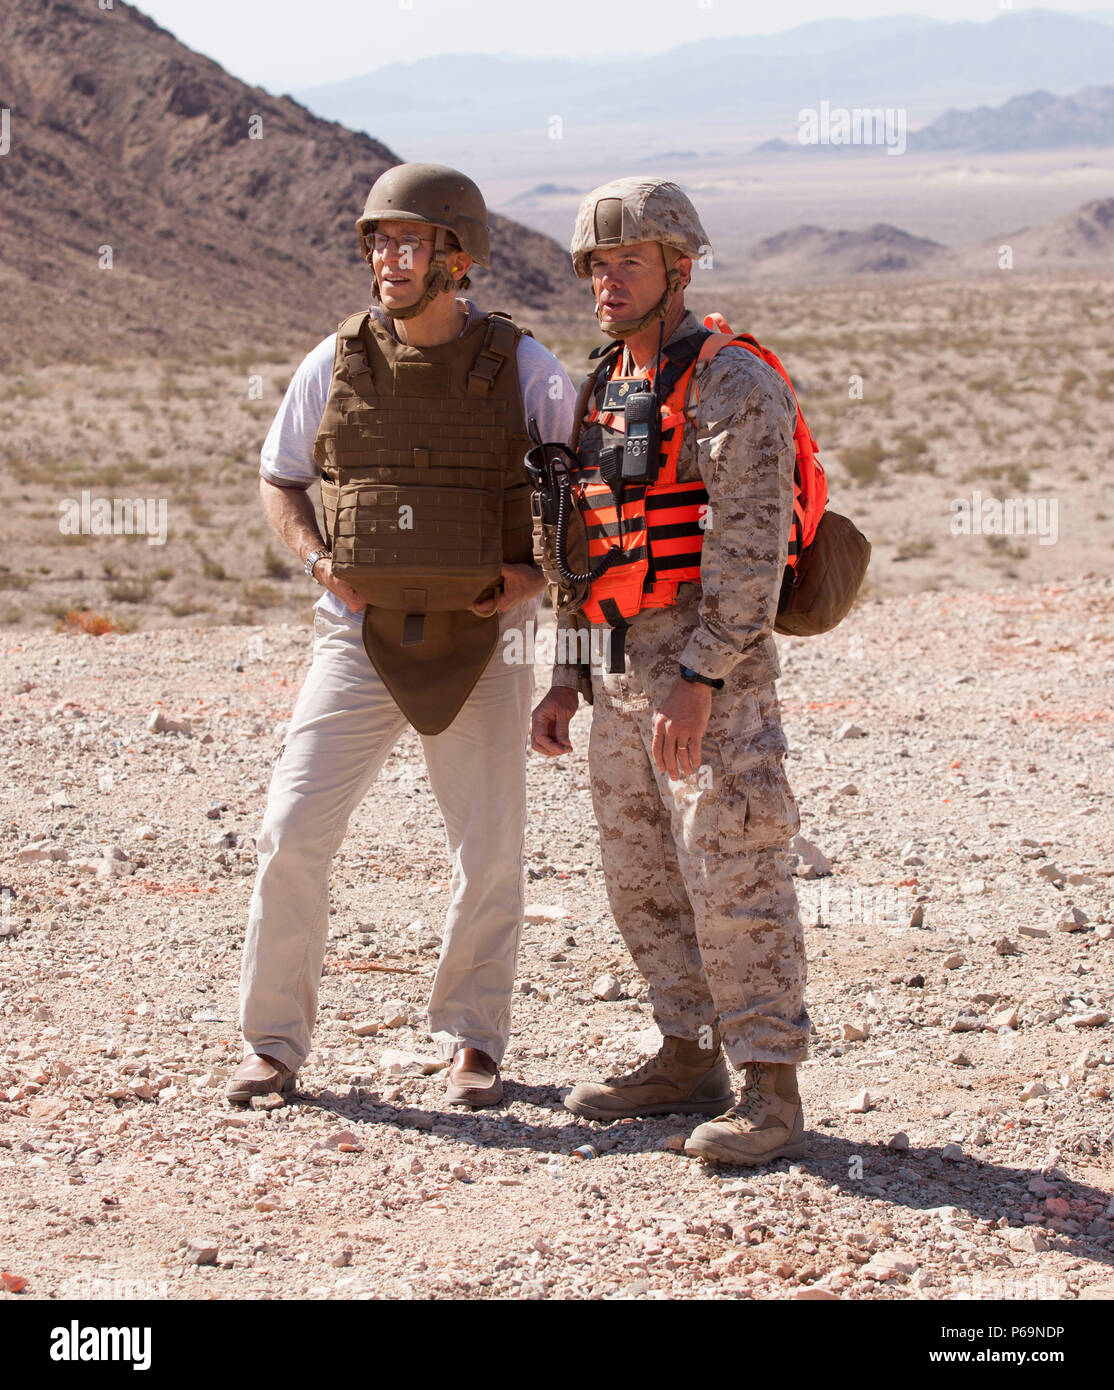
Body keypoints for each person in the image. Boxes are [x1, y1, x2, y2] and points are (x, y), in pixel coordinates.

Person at [227, 163, 574, 1110]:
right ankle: (272, 1045)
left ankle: (473, 1043)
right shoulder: (332, 362)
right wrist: (315, 560)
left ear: (456, 260)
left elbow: (580, 509)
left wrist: (539, 587)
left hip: (486, 641)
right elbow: (279, 477)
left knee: (489, 846)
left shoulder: (531, 372)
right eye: (377, 242)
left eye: (408, 243)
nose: (387, 260)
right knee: (292, 832)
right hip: (356, 636)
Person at [530, 177, 811, 1165]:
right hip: (614, 681)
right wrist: (564, 674)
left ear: (678, 270)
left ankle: (769, 1088)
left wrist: (699, 677)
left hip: (711, 686)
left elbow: (748, 549)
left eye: (629, 263)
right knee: (642, 876)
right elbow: (574, 546)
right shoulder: (600, 386)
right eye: (596, 265)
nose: (607, 281)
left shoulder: (735, 384)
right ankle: (685, 1054)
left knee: (734, 873)